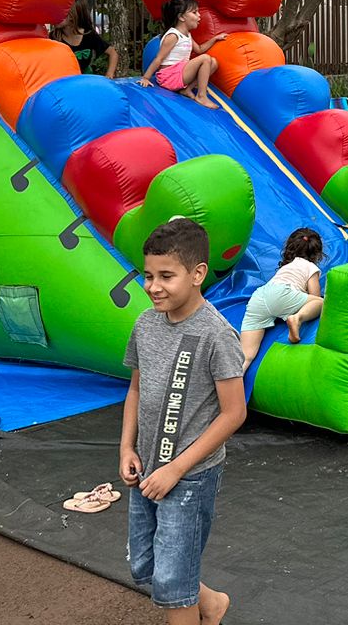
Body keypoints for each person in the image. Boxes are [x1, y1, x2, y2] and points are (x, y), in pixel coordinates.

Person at [120, 217, 246, 625]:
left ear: (197, 274)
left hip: (189, 476)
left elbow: (234, 412)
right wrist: (126, 447)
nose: (153, 286)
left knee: (173, 584)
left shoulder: (215, 334)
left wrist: (176, 469)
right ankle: (210, 603)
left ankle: (195, 605)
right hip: (147, 467)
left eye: (166, 276)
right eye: (147, 274)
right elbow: (136, 390)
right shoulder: (145, 325)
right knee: (145, 567)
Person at [239, 227, 324, 366]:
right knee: (320, 302)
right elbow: (314, 295)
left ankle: (230, 380)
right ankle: (297, 319)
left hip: (259, 297)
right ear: (317, 254)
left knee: (246, 356)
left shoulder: (287, 267)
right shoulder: (310, 267)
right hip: (283, 294)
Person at [139, 0, 225, 109]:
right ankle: (201, 96)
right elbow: (159, 59)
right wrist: (146, 77)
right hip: (169, 77)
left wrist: (215, 39)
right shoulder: (173, 35)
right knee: (205, 59)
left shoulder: (187, 34)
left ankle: (187, 90)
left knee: (213, 62)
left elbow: (199, 49)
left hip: (180, 72)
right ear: (181, 17)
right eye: (194, 12)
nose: (199, 15)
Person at [53, 0, 119, 78]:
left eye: (60, 14)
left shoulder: (89, 35)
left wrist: (109, 74)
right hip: (65, 82)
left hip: (86, 80)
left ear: (73, 16)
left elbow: (113, 53)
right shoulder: (53, 38)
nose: (54, 17)